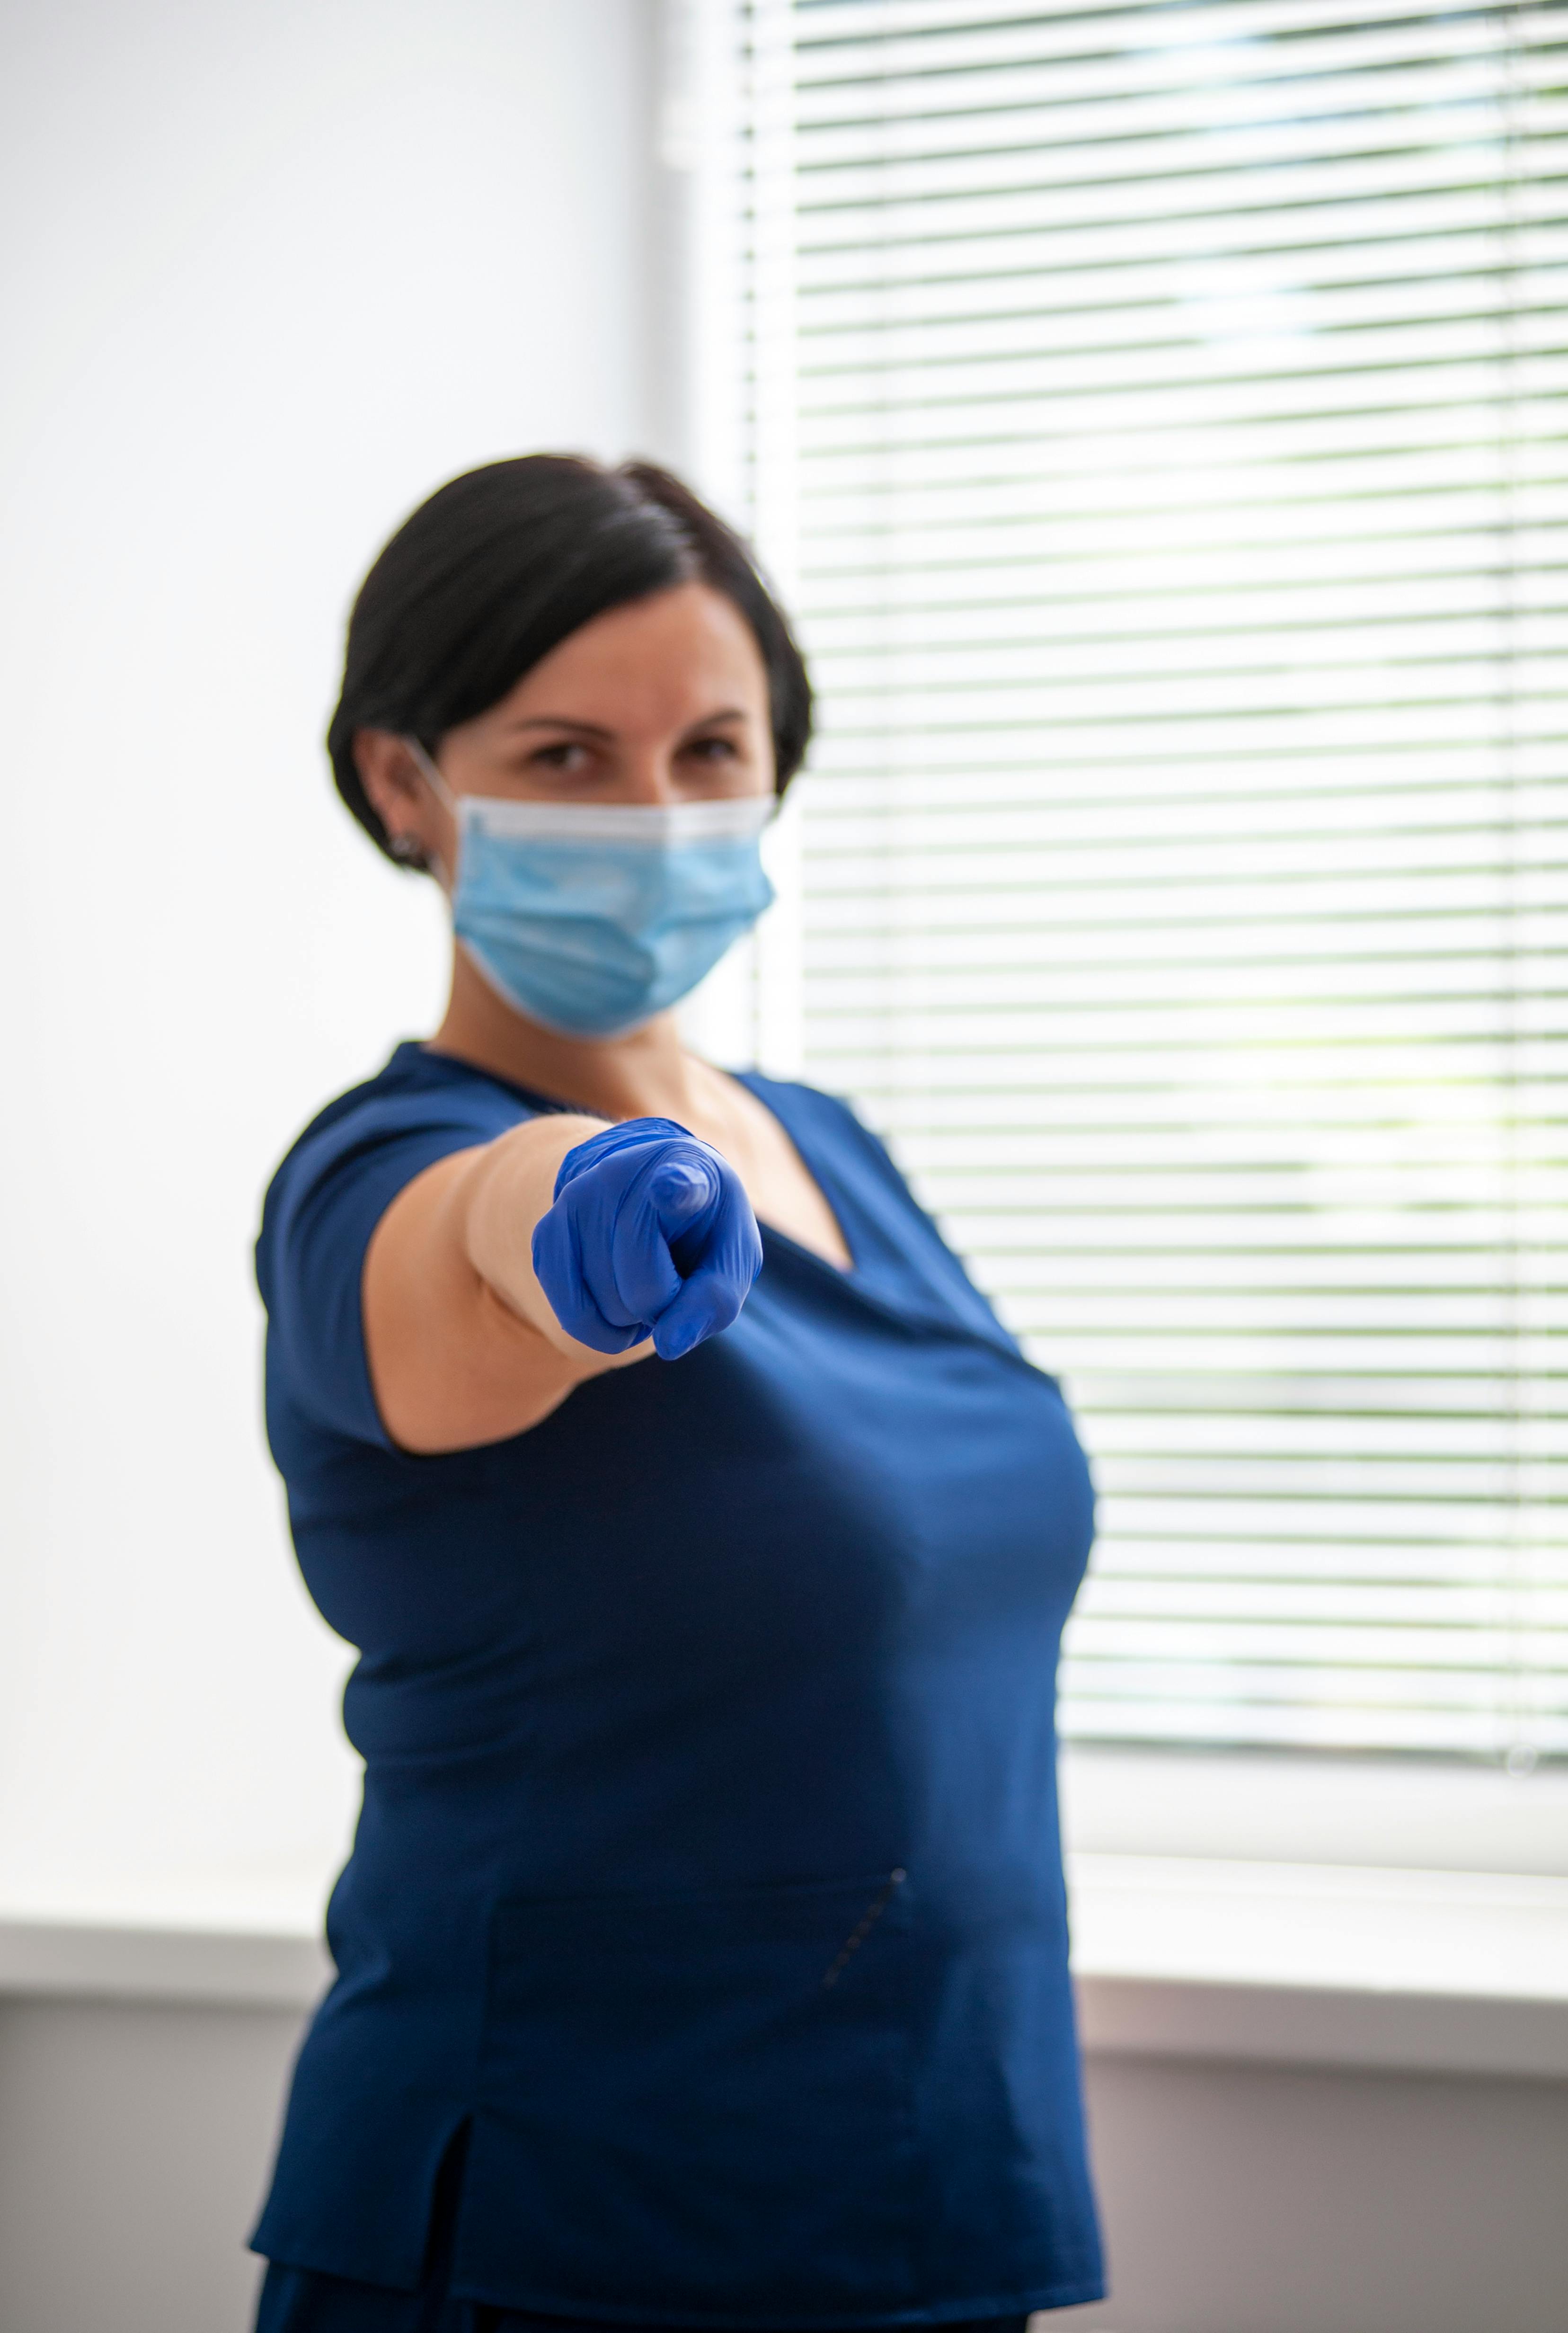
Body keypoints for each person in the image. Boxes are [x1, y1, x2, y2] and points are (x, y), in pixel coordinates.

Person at [250, 455, 1105, 2333]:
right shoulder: (378, 1177)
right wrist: (582, 1203)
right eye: (565, 756)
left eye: (710, 750)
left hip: (933, 2186)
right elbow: (482, 1236)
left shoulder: (828, 1147)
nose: (652, 813)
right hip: (566, 2219)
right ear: (405, 782)